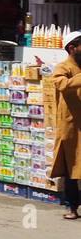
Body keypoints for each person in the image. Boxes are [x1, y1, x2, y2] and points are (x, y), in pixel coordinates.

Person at [49, 29, 81, 220]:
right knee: (72, 168)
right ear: (72, 48)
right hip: (70, 128)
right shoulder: (63, 67)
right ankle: (72, 207)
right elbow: (60, 83)